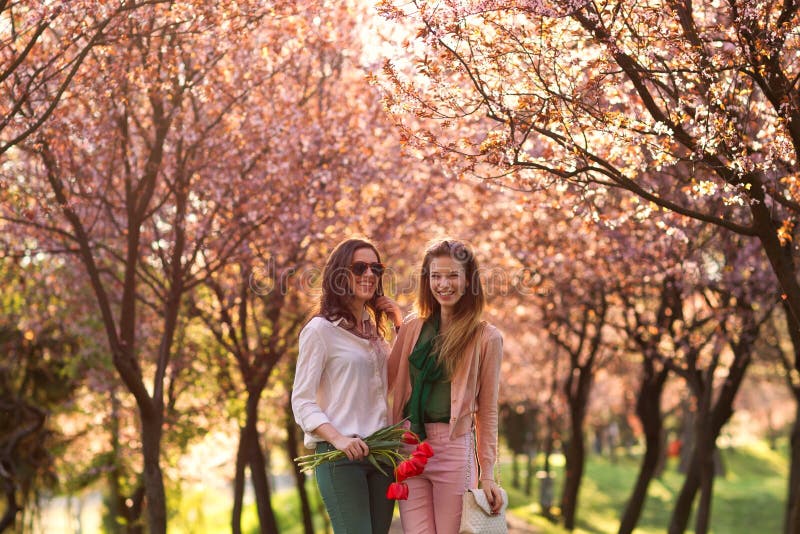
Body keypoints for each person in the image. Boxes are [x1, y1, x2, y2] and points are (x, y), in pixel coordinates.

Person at [388, 239, 504, 533]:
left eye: (452, 275)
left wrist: (488, 473)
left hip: (453, 448)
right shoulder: (414, 327)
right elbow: (386, 379)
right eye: (436, 276)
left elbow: (487, 411)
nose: (443, 284)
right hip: (410, 445)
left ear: (468, 281)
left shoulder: (485, 337)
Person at [292, 238, 403, 534]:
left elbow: (392, 382)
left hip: (381, 454)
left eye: (376, 268)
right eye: (359, 267)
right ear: (340, 274)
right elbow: (302, 401)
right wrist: (338, 439)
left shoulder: (375, 334)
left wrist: (398, 323)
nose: (369, 274)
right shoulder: (320, 331)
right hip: (341, 457)